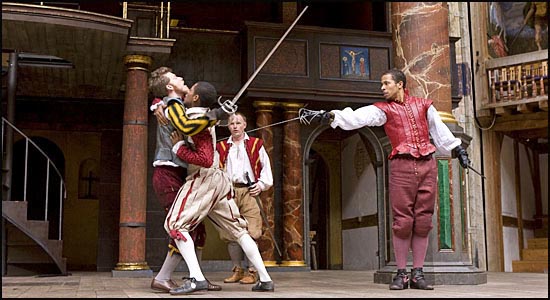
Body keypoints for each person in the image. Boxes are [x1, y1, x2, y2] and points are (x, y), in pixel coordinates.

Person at [318, 69, 470, 290]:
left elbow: (440, 130)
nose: (382, 88)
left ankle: (418, 274)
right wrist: (333, 116)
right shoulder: (383, 110)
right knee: (402, 222)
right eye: (382, 84)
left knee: (424, 220)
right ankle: (401, 274)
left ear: (400, 84)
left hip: (427, 165)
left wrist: (458, 149)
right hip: (401, 166)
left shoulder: (424, 105)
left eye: (386, 83)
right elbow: (358, 117)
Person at [164, 81, 274, 295]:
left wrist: (178, 147)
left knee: (175, 224)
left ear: (195, 98)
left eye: (191, 89)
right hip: (220, 181)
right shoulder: (202, 115)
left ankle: (196, 278)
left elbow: (204, 159)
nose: (187, 89)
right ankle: (265, 279)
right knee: (239, 230)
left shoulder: (197, 118)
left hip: (204, 177)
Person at [147, 67, 225, 293]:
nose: (182, 78)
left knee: (196, 228)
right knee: (182, 226)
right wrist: (216, 115)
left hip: (176, 174)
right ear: (170, 87)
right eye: (176, 78)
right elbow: (187, 126)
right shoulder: (172, 107)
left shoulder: (172, 105)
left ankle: (195, 274)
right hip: (167, 172)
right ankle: (166, 277)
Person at [216, 112, 274, 284]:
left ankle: (252, 271)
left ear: (245, 125)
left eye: (238, 122)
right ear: (228, 126)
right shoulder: (221, 147)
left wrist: (261, 185)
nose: (235, 126)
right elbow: (216, 169)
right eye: (232, 123)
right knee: (231, 232)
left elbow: (266, 167)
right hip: (229, 192)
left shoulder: (256, 144)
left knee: (252, 231)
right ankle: (237, 270)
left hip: (249, 192)